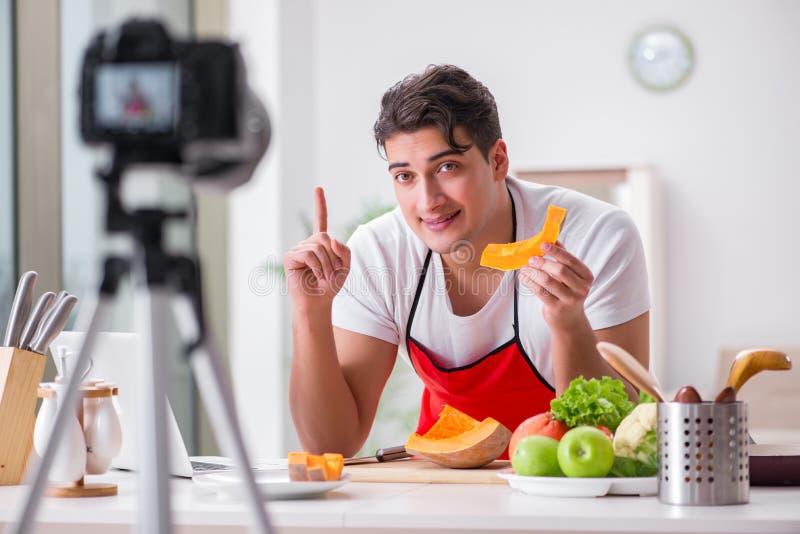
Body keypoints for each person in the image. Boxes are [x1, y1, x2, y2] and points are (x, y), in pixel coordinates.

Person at [284, 64, 650, 457]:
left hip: (565, 482)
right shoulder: (379, 251)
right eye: (405, 176)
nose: (428, 202)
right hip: (442, 484)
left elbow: (618, 431)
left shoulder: (596, 236)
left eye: (447, 167)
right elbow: (331, 443)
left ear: (498, 161)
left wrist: (569, 325)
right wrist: (310, 312)